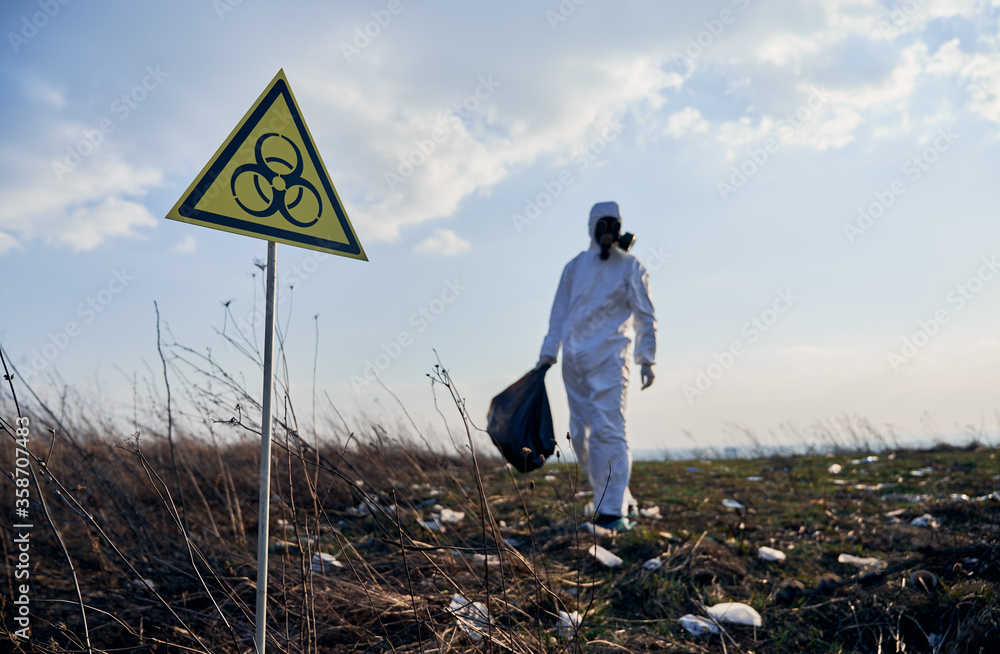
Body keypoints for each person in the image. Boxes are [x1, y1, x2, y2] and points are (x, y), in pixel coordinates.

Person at [536, 201, 657, 533]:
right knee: (581, 434)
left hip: (611, 358)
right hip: (574, 362)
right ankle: (611, 495)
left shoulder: (630, 267)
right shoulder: (574, 267)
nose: (607, 229)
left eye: (612, 223)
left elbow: (645, 315)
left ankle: (611, 510)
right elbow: (558, 314)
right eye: (602, 223)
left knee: (609, 429)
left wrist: (646, 358)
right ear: (592, 226)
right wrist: (548, 353)